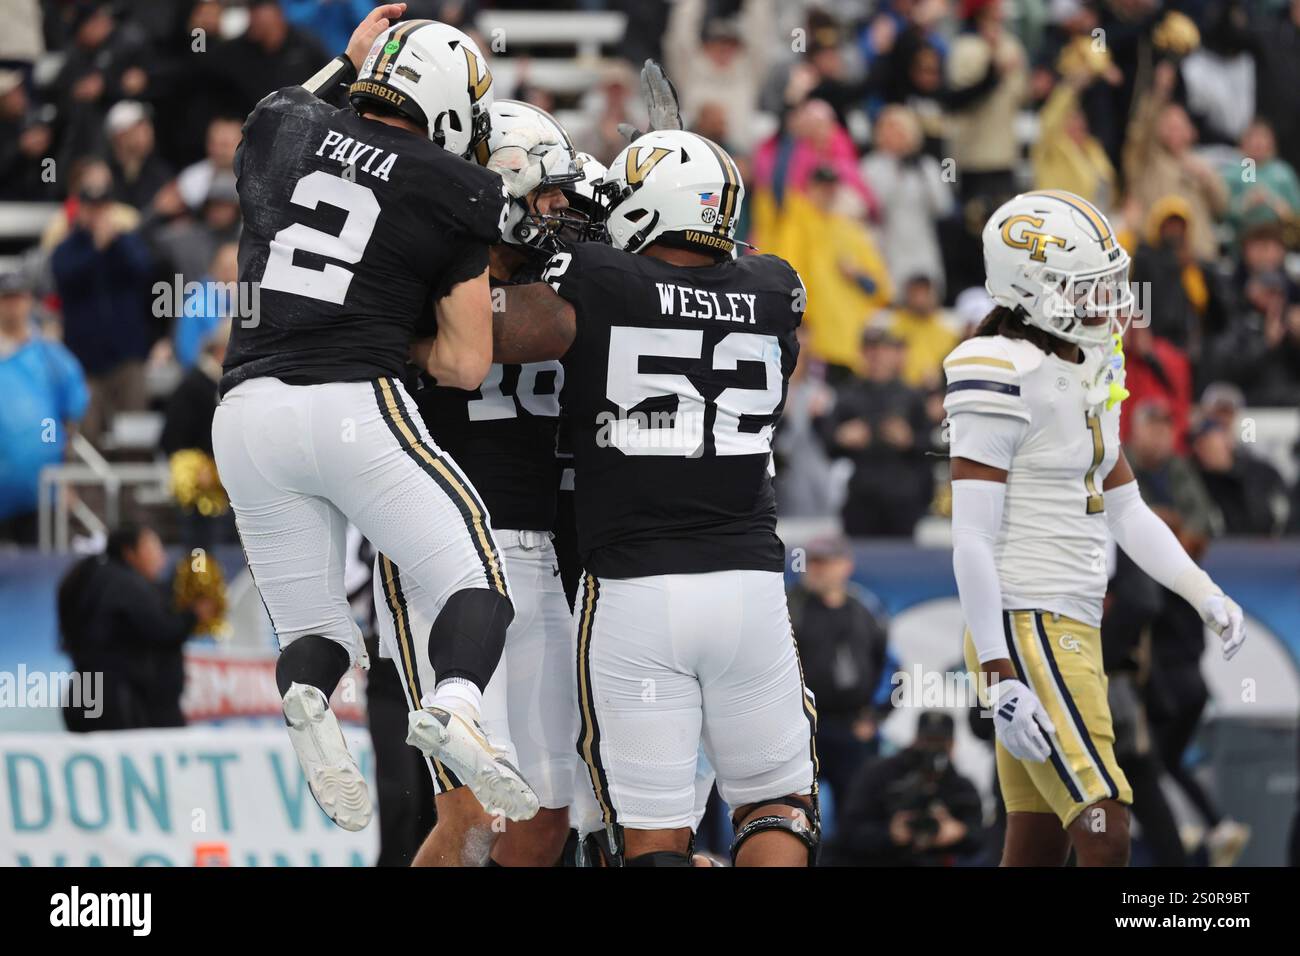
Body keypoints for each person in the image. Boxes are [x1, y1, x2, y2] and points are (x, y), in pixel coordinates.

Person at [210, 6, 533, 834]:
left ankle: (309, 699)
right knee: (476, 581)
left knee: (319, 630)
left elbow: (290, 113)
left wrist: (349, 61)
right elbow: (466, 362)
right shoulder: (457, 185)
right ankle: (458, 704)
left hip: (244, 415)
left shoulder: (282, 125)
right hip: (353, 403)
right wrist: (404, 336)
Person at [491, 128, 818, 867]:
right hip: (750, 585)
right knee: (776, 804)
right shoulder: (773, 290)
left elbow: (483, 333)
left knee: (653, 838)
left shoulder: (595, 280)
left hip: (635, 591)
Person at [946, 189, 1246, 866]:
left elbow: (1127, 507)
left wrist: (1204, 595)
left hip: (1070, 625)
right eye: (1090, 287)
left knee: (1036, 841)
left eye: (1111, 281)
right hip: (1028, 619)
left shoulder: (1088, 363)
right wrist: (998, 670)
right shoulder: (999, 368)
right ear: (1034, 290)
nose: (1112, 301)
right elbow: (970, 538)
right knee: (1106, 821)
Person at [376, 100, 584, 867]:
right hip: (444, 549)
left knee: (544, 814)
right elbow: (540, 327)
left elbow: (552, 320)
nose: (559, 211)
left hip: (543, 557)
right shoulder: (415, 265)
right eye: (544, 194)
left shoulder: (563, 270)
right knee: (472, 817)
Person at [57, 523, 216, 731]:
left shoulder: (98, 578)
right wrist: (194, 615)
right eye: (152, 548)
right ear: (130, 553)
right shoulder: (126, 585)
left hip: (87, 694)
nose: (161, 557)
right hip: (114, 705)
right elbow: (163, 629)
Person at [787, 536, 891, 823]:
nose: (816, 570)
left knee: (858, 814)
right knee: (799, 814)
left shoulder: (866, 609)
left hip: (852, 728)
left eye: (824, 563)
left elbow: (894, 669)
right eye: (812, 563)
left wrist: (875, 717)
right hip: (803, 730)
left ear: (846, 566)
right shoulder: (789, 609)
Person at [825, 711, 984, 866]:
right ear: (916, 739)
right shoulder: (879, 774)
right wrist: (889, 833)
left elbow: (981, 837)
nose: (934, 749)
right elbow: (849, 831)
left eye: (940, 742)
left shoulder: (961, 787)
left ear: (952, 745)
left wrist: (959, 833)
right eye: (928, 740)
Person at [0, 269, 89, 544]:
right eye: (6, 298)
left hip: (40, 492)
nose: (13, 305)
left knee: (39, 573)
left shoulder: (50, 356)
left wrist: (66, 476)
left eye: (18, 297)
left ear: (29, 301)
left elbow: (70, 416)